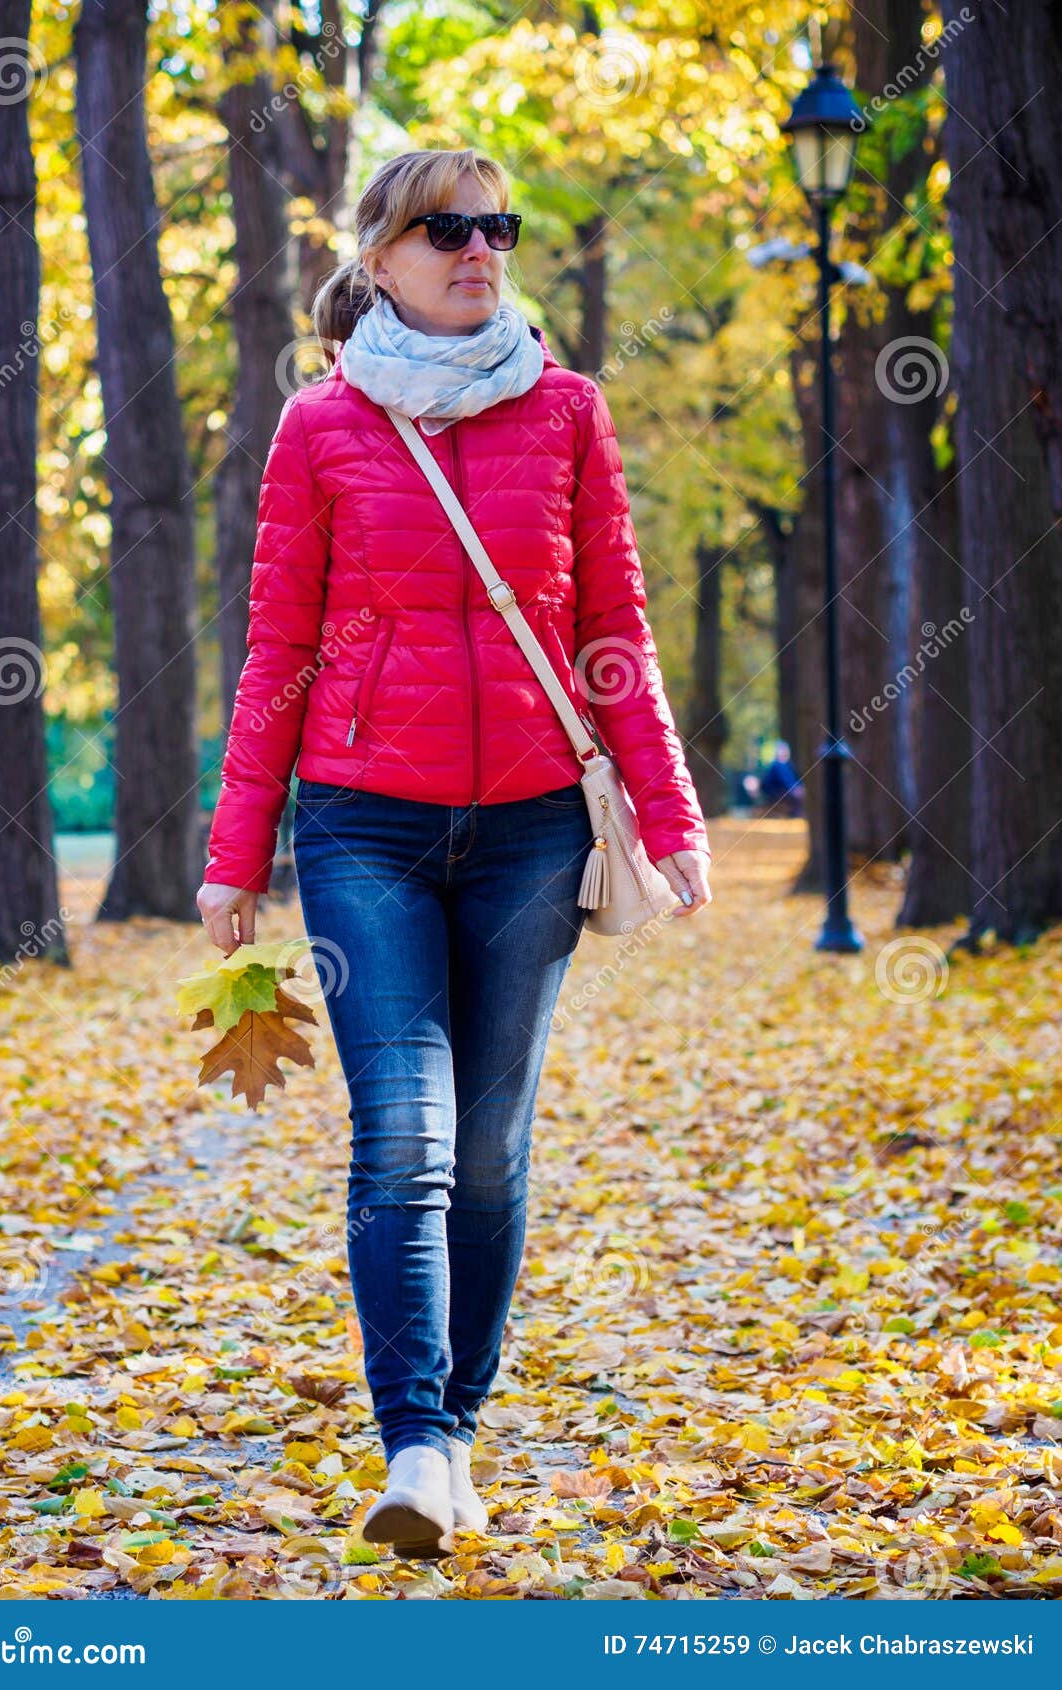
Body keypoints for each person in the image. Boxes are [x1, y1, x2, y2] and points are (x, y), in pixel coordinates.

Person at [196, 147, 712, 1556]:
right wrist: (237, 848)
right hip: (363, 817)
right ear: (380, 256)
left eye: (498, 221)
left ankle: (460, 1430)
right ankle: (415, 1444)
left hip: (534, 830)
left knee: (488, 1151)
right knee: (407, 1135)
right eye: (444, 227)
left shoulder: (566, 411)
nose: (479, 245)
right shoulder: (319, 426)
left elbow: (615, 626)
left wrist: (666, 819)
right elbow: (278, 650)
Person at [758, 739, 805, 818]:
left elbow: (794, 780)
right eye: (783, 750)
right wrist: (796, 789)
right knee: (798, 793)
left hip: (784, 790)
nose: (786, 752)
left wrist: (798, 787)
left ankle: (796, 812)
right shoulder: (777, 765)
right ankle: (795, 813)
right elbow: (785, 782)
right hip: (777, 792)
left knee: (800, 792)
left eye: (786, 750)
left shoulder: (788, 765)